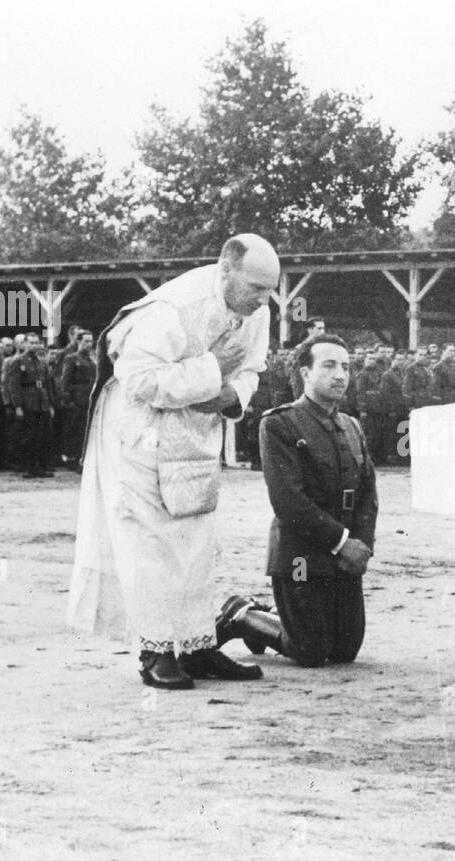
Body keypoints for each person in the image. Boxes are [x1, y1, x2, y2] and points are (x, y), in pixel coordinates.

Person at [67, 233, 277, 689]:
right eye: (256, 288)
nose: (263, 301)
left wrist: (233, 394)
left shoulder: (256, 311)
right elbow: (137, 378)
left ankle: (199, 647)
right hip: (139, 429)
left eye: (269, 290)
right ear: (225, 270)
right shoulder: (173, 309)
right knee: (151, 540)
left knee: (196, 536)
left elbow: (252, 370)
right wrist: (209, 379)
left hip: (197, 429)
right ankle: (155, 650)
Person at [259, 334, 377, 667]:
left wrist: (362, 545)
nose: (341, 375)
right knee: (310, 651)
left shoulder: (352, 426)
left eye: (346, 367)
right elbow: (288, 502)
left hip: (343, 562)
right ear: (305, 373)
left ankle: (284, 620)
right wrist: (343, 543)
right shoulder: (279, 423)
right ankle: (244, 617)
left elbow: (368, 492)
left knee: (345, 651)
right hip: (299, 560)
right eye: (329, 366)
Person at [5, 335, 55, 479]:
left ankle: (39, 466)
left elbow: (47, 384)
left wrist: (50, 404)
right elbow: (14, 385)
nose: (34, 345)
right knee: (28, 436)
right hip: (28, 402)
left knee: (41, 435)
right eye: (31, 343)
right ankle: (28, 467)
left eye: (37, 343)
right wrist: (18, 405)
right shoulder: (18, 361)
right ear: (25, 344)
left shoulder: (41, 362)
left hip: (41, 402)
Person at [57, 330, 95, 471]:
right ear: (79, 342)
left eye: (90, 341)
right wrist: (67, 399)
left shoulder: (91, 360)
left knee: (85, 430)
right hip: (77, 399)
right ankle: (71, 458)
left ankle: (82, 458)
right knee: (75, 430)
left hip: (88, 399)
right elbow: (65, 381)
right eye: (85, 341)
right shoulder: (71, 358)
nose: (88, 345)